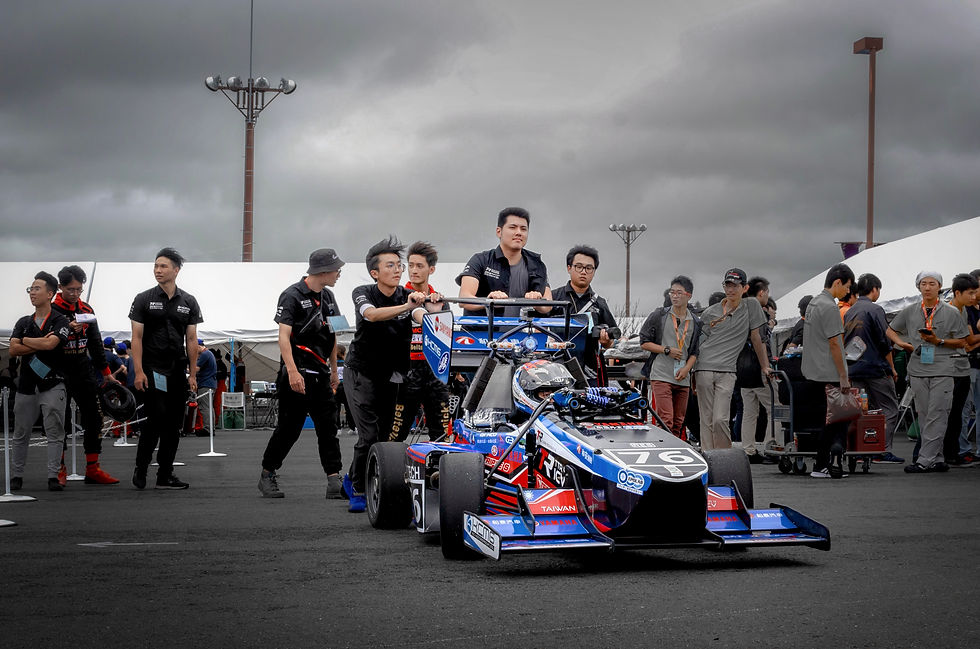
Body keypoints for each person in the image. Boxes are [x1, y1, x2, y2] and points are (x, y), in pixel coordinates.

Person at [343, 236, 444, 513]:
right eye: (391, 265)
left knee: (387, 437)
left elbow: (423, 316)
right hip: (360, 373)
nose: (398, 270)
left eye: (399, 265)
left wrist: (433, 309)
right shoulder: (362, 292)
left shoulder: (406, 296)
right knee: (369, 434)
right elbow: (372, 315)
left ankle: (354, 477)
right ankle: (358, 488)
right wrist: (408, 306)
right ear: (375, 272)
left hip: (392, 376)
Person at [258, 248, 345, 499]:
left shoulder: (329, 296)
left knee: (329, 428)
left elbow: (334, 333)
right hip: (296, 373)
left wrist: (334, 370)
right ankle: (267, 473)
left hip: (320, 374)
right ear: (323, 270)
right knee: (289, 429)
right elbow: (283, 337)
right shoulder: (291, 295)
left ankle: (333, 479)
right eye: (336, 269)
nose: (339, 273)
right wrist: (293, 372)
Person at [129, 248, 203, 490]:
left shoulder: (188, 301)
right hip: (152, 368)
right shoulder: (143, 298)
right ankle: (141, 467)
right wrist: (138, 371)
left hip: (176, 369)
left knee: (173, 424)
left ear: (176, 270)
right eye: (156, 266)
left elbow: (192, 340)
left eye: (163, 266)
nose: (158, 270)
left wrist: (192, 373)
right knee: (155, 419)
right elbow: (136, 338)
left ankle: (165, 474)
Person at [887, 271, 969, 473]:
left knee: (938, 413)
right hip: (917, 368)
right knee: (924, 415)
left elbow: (962, 341)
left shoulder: (951, 312)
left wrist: (938, 341)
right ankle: (937, 457)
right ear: (918, 287)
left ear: (939, 286)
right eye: (923, 283)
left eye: (932, 283)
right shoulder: (910, 310)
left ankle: (925, 460)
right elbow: (889, 329)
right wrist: (901, 344)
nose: (927, 287)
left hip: (942, 368)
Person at [49, 265, 121, 485]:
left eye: (79, 289)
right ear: (60, 287)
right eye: (70, 289)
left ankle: (93, 468)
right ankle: (58, 469)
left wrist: (106, 373)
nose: (75, 294)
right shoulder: (51, 311)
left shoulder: (87, 309)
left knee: (94, 415)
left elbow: (96, 343)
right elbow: (44, 341)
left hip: (83, 368)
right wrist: (68, 329)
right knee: (60, 420)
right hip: (59, 370)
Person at [693, 268, 772, 449]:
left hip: (728, 370)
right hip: (703, 367)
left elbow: (756, 338)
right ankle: (708, 456)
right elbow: (697, 343)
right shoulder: (710, 313)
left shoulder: (751, 306)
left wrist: (765, 366)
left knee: (720, 418)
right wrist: (689, 368)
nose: (731, 290)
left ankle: (724, 459)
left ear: (745, 288)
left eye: (735, 286)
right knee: (706, 418)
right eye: (727, 285)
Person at [8, 272, 72, 492]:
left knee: (55, 431)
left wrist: (25, 340)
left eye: (37, 288)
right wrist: (35, 342)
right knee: (21, 431)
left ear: (50, 294)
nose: (32, 292)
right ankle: (16, 475)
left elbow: (52, 344)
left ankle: (53, 475)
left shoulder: (59, 320)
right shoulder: (23, 321)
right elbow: (13, 349)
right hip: (26, 383)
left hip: (52, 383)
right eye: (31, 289)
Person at [390, 241, 452, 442]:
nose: (413, 271)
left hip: (435, 372)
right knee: (395, 433)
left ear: (431, 269)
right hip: (406, 371)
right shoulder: (397, 297)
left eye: (420, 266)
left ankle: (440, 472)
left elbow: (448, 337)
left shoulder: (440, 300)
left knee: (442, 434)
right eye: (411, 265)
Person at [802, 263, 856, 479]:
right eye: (847, 286)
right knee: (835, 420)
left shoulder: (813, 303)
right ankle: (825, 464)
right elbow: (835, 343)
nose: (847, 292)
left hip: (812, 372)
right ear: (837, 282)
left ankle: (821, 464)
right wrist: (844, 376)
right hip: (829, 374)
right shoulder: (830, 307)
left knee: (823, 420)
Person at [843, 273, 904, 464]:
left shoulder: (850, 311)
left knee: (861, 410)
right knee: (889, 408)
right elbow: (884, 342)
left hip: (853, 368)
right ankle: (882, 450)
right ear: (875, 289)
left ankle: (861, 449)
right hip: (875, 367)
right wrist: (892, 368)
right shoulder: (875, 309)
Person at [457, 207, 552, 316]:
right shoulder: (480, 260)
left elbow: (548, 305)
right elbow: (464, 299)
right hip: (484, 331)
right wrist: (489, 301)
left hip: (524, 331)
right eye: (513, 227)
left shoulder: (537, 264)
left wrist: (537, 301)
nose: (519, 232)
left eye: (523, 229)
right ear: (499, 231)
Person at [640, 275, 701, 440]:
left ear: (689, 295)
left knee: (679, 421)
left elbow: (695, 351)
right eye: (672, 292)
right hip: (661, 374)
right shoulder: (659, 315)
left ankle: (674, 453)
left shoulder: (695, 321)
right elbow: (644, 342)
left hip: (683, 376)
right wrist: (666, 349)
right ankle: (662, 450)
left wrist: (687, 368)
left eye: (679, 292)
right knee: (665, 419)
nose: (674, 296)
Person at [551, 245, 619, 384]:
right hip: (556, 367)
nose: (584, 272)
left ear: (594, 272)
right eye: (579, 267)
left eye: (589, 268)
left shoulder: (599, 303)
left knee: (592, 404)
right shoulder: (554, 297)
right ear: (569, 268)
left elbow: (610, 343)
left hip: (590, 370)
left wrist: (606, 340)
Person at [738, 277, 776, 462]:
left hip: (742, 369)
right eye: (767, 293)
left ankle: (748, 449)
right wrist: (766, 366)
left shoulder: (738, 309)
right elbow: (760, 340)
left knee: (749, 410)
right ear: (761, 293)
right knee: (774, 407)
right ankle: (772, 446)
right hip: (759, 367)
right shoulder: (758, 313)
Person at [944, 273, 979, 465]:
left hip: (962, 367)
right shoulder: (949, 311)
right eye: (971, 293)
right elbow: (965, 342)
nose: (974, 297)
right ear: (958, 293)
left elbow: (967, 341)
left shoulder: (963, 310)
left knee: (957, 413)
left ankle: (953, 452)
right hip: (951, 369)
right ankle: (950, 453)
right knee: (952, 413)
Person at [958, 269, 980, 461]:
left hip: (975, 363)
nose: (976, 294)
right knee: (965, 409)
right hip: (968, 365)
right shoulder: (964, 309)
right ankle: (963, 449)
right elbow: (968, 342)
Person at [195, 339, 217, 436]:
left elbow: (196, 369)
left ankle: (207, 428)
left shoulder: (204, 355)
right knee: (209, 407)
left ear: (198, 346)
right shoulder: (210, 353)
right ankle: (211, 428)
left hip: (205, 383)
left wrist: (187, 370)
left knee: (204, 407)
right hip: (211, 384)